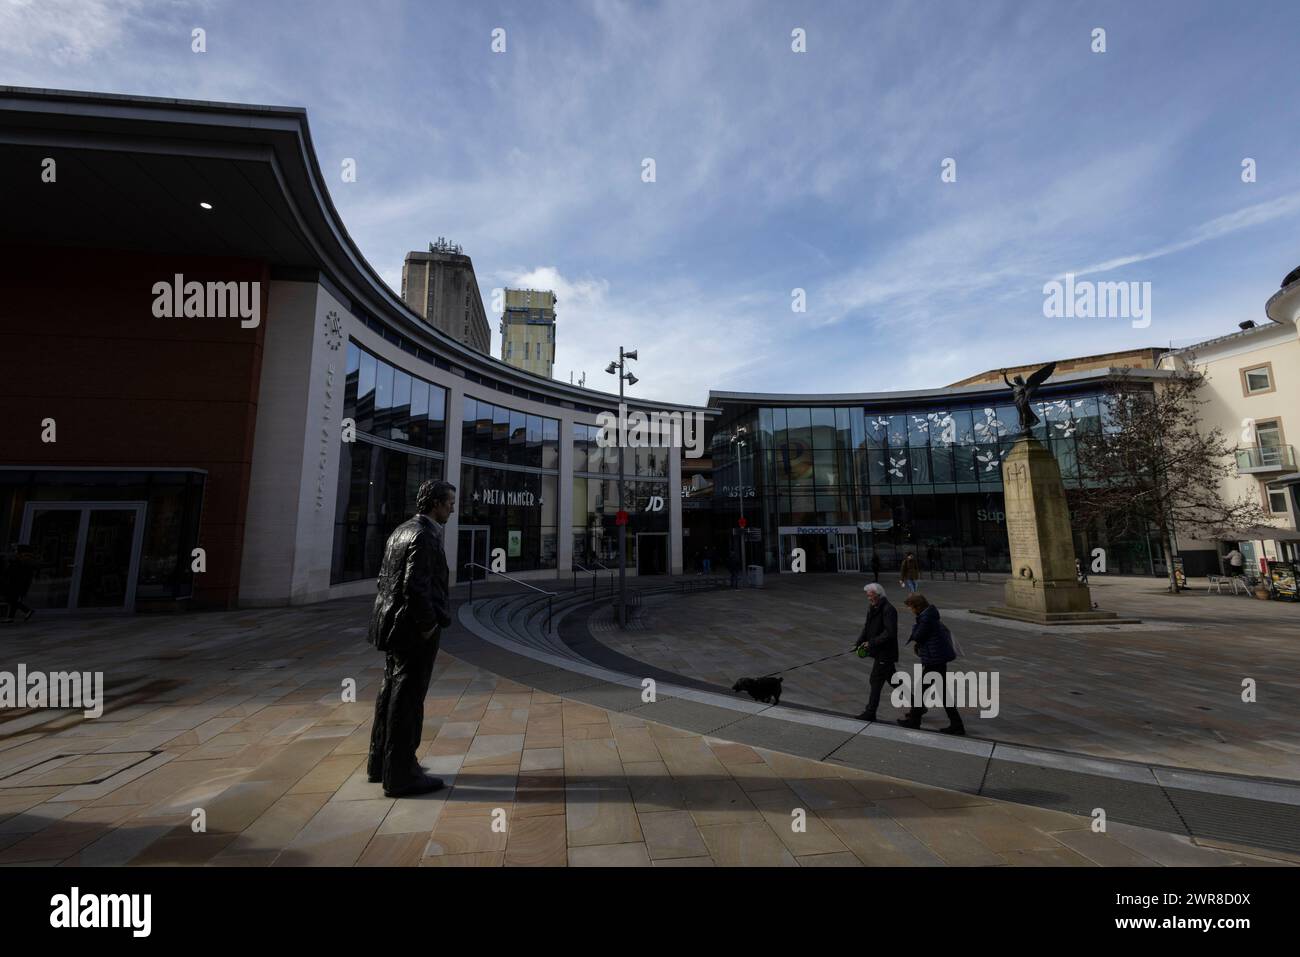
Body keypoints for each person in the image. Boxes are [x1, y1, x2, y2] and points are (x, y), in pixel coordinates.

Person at [366, 480, 456, 798]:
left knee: (389, 693)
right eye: (448, 503)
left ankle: (381, 764)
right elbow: (415, 585)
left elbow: (383, 577)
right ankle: (402, 774)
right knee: (407, 699)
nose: (452, 509)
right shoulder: (425, 534)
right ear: (434, 504)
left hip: (390, 626)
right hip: (411, 630)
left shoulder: (400, 530)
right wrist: (428, 624)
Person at [897, 593, 965, 735]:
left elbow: (917, 635)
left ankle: (915, 721)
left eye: (911, 607)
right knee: (936, 692)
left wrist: (917, 623)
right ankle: (956, 724)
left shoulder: (926, 618)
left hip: (934, 660)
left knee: (922, 691)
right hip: (937, 659)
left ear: (917, 606)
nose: (911, 610)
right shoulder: (929, 615)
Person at [853, 582, 898, 721]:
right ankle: (918, 706)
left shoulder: (888, 609)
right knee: (893, 680)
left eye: (871, 596)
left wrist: (871, 643)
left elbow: (890, 633)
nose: (869, 598)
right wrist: (859, 642)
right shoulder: (873, 607)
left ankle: (870, 712)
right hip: (879, 651)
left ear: (878, 595)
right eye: (868, 596)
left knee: (875, 681)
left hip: (885, 652)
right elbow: (867, 627)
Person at [1, 545, 37, 624]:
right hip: (18, 584)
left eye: (16, 551)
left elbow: (11, 573)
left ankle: (27, 610)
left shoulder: (20, 562)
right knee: (12, 599)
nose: (15, 552)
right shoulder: (24, 561)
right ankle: (10, 617)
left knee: (10, 599)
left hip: (15, 584)